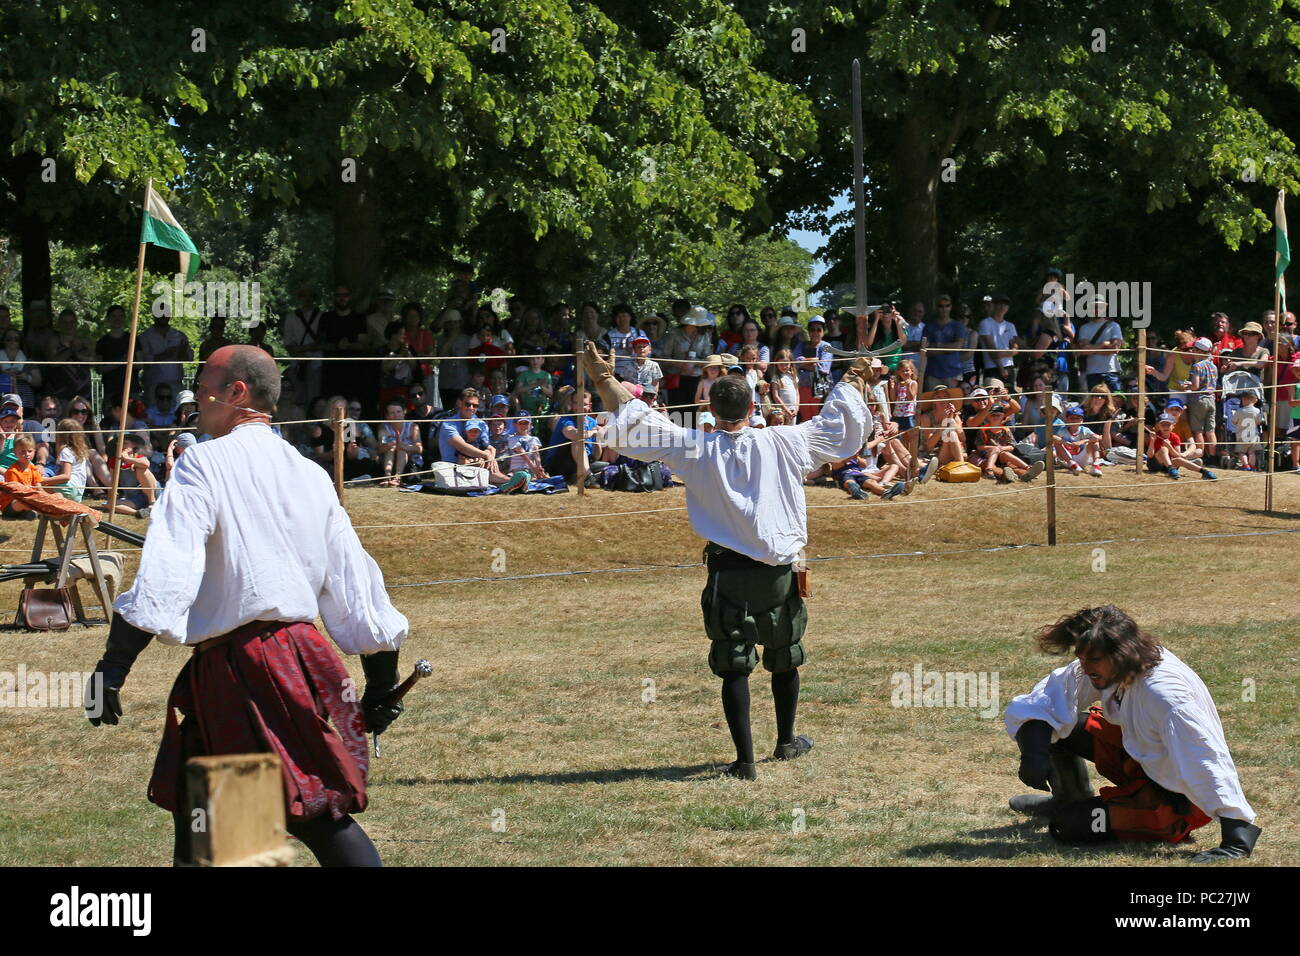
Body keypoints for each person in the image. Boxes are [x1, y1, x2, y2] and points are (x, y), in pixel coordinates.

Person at [84, 345, 411, 867]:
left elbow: (169, 572)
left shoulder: (203, 464)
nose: (196, 398)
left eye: (205, 384)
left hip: (245, 670)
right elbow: (356, 590)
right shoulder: (310, 475)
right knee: (211, 831)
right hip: (285, 662)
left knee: (314, 811)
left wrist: (113, 667)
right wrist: (380, 684)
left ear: (237, 392)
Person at [587, 340, 875, 780]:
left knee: (734, 663)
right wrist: (855, 376)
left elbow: (637, 421)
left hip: (728, 574)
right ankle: (785, 741)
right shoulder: (785, 440)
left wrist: (604, 379)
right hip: (778, 573)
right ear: (754, 404)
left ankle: (746, 761)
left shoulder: (694, 447)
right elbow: (838, 425)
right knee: (785, 655)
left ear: (710, 408)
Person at [1005, 606, 1260, 862]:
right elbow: (1050, 699)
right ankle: (1068, 797)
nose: (1084, 666)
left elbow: (1203, 755)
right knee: (1052, 727)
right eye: (1081, 657)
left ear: (1121, 654)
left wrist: (1236, 836)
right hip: (1141, 762)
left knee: (1067, 825)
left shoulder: (1166, 697)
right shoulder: (1111, 663)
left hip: (1178, 800)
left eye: (1092, 659)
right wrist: (1034, 752)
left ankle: (1078, 812)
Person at [1147, 414, 1216, 480]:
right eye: (1163, 425)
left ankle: (1204, 472)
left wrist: (1169, 446)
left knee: (1179, 460)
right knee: (1164, 449)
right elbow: (1150, 455)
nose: (1165, 427)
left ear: (1173, 425)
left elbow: (1177, 455)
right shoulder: (1155, 436)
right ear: (1159, 426)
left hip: (1167, 466)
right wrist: (1152, 441)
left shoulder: (1175, 437)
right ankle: (1171, 469)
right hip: (1155, 464)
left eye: (1168, 425)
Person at [43, 418, 90, 501]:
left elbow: (66, 476)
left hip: (69, 488)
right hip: (78, 492)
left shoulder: (66, 451)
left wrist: (44, 480)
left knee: (39, 487)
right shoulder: (78, 451)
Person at [1, 434, 44, 519]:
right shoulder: (12, 471)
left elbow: (39, 488)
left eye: (29, 451)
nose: (27, 454)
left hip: (30, 501)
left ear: (35, 451)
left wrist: (46, 497)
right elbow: (16, 494)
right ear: (15, 453)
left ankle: (30, 513)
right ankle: (38, 511)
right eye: (22, 452)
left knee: (56, 495)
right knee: (21, 502)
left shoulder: (34, 469)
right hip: (11, 505)